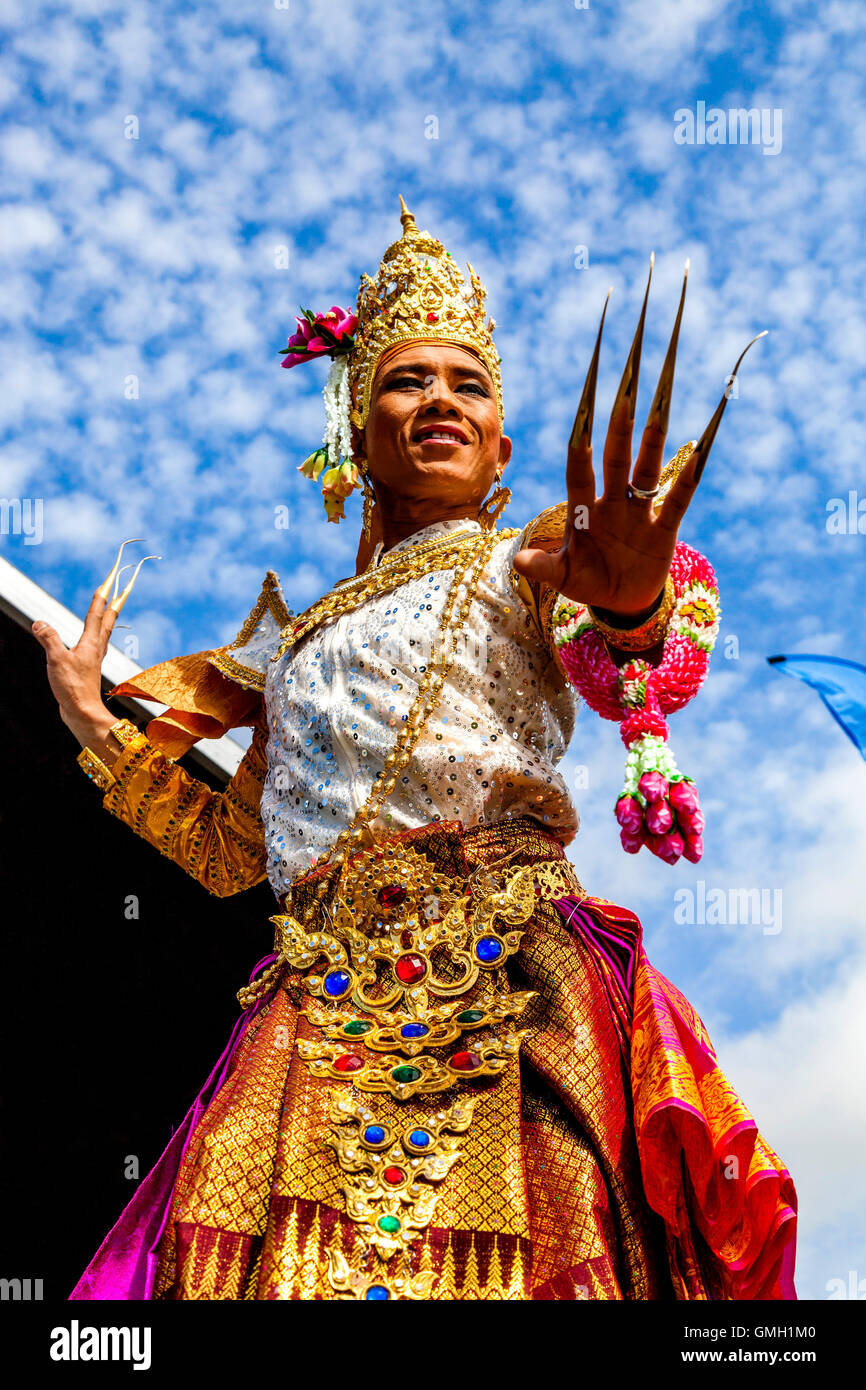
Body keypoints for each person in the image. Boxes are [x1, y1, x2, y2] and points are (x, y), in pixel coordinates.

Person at [34, 200, 796, 1301]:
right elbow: (231, 851)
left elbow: (625, 633)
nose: (438, 397)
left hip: (507, 976)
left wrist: (631, 601)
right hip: (317, 1005)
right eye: (406, 378)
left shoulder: (523, 557)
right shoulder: (292, 646)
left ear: (501, 444)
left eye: (467, 383)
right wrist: (94, 725)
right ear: (357, 423)